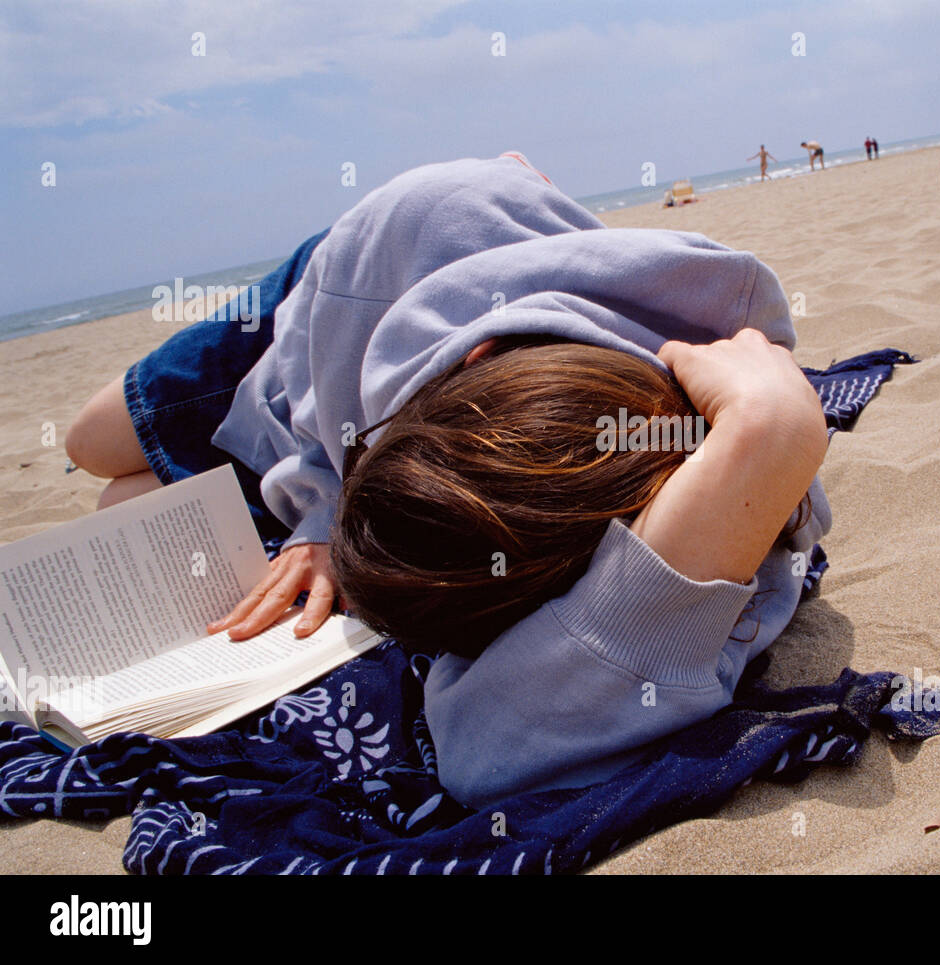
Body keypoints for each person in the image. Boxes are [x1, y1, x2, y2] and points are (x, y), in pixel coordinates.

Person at [64, 154, 831, 808]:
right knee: (93, 444)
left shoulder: (726, 485)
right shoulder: (428, 220)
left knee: (120, 507)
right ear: (471, 357)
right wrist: (321, 514)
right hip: (325, 304)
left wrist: (764, 440)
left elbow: (487, 747)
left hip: (398, 371)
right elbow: (322, 395)